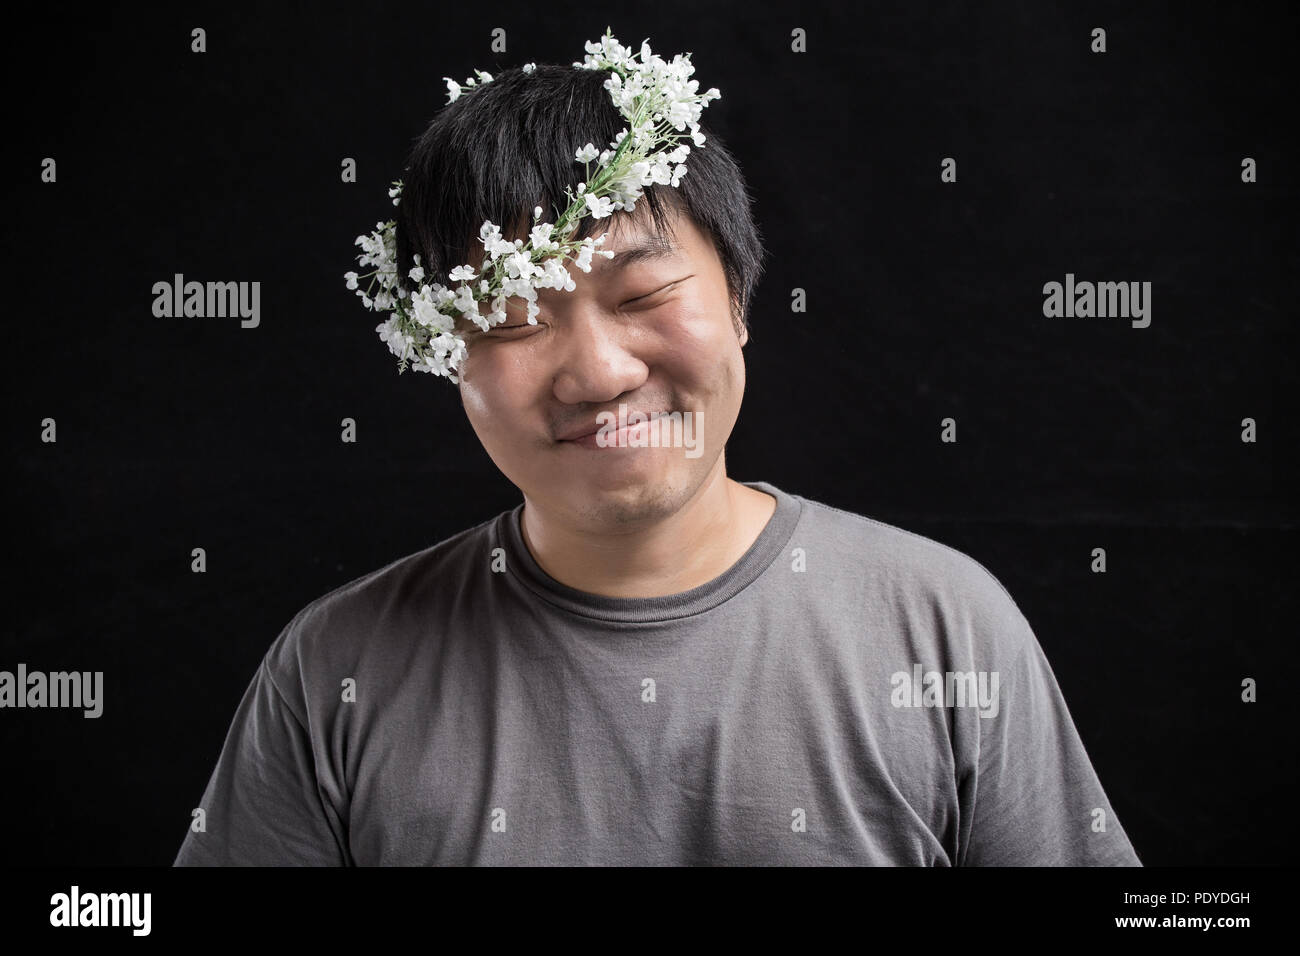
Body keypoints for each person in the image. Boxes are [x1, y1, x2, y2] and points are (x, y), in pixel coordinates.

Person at [174, 56, 1141, 867]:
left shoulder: (942, 627)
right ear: (447, 361)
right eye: (514, 319)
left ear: (741, 302)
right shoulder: (333, 670)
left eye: (642, 296)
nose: (596, 372)